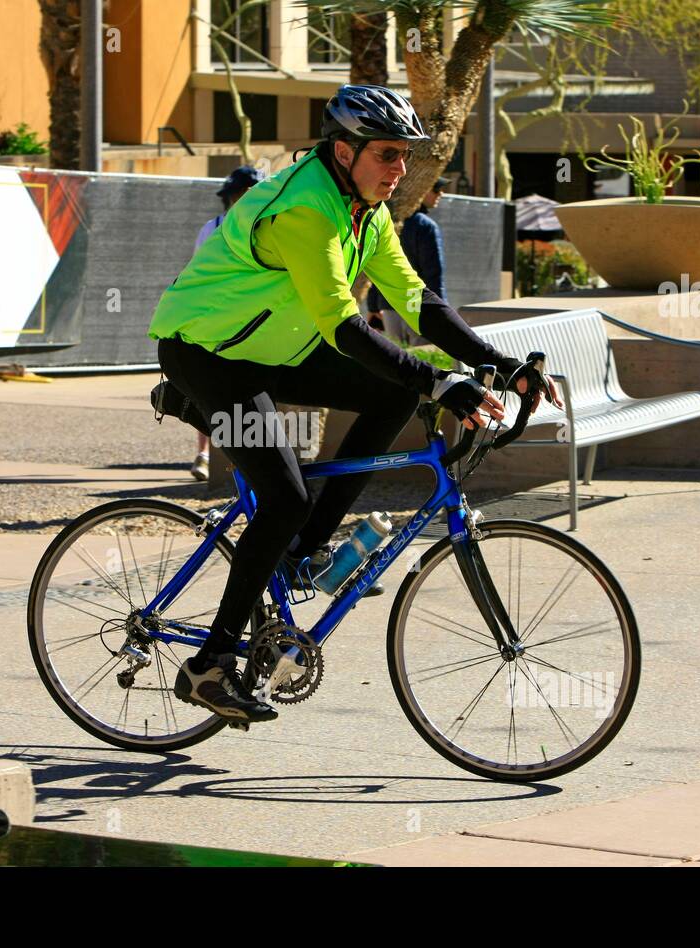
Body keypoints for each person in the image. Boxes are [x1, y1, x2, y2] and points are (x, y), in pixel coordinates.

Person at [147, 85, 559, 725]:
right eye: (389, 155)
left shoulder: (367, 212)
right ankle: (211, 664)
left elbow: (418, 302)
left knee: (394, 391)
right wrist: (441, 383)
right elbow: (345, 327)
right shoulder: (305, 210)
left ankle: (306, 546)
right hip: (206, 354)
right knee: (281, 493)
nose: (402, 170)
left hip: (271, 349)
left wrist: (500, 365)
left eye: (405, 156)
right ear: (344, 151)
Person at [190, 165, 266, 481]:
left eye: (250, 194)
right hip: (218, 324)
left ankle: (250, 465)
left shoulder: (272, 228)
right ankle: (205, 453)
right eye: (237, 195)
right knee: (209, 394)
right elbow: (198, 276)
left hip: (260, 325)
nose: (243, 201)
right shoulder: (214, 228)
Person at [366, 176, 449, 345]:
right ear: (422, 191)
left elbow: (375, 266)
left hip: (389, 305)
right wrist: (441, 311)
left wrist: (373, 305)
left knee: (395, 362)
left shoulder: (386, 221)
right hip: (416, 305)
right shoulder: (426, 226)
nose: (441, 193)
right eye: (436, 189)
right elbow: (433, 274)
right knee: (422, 360)